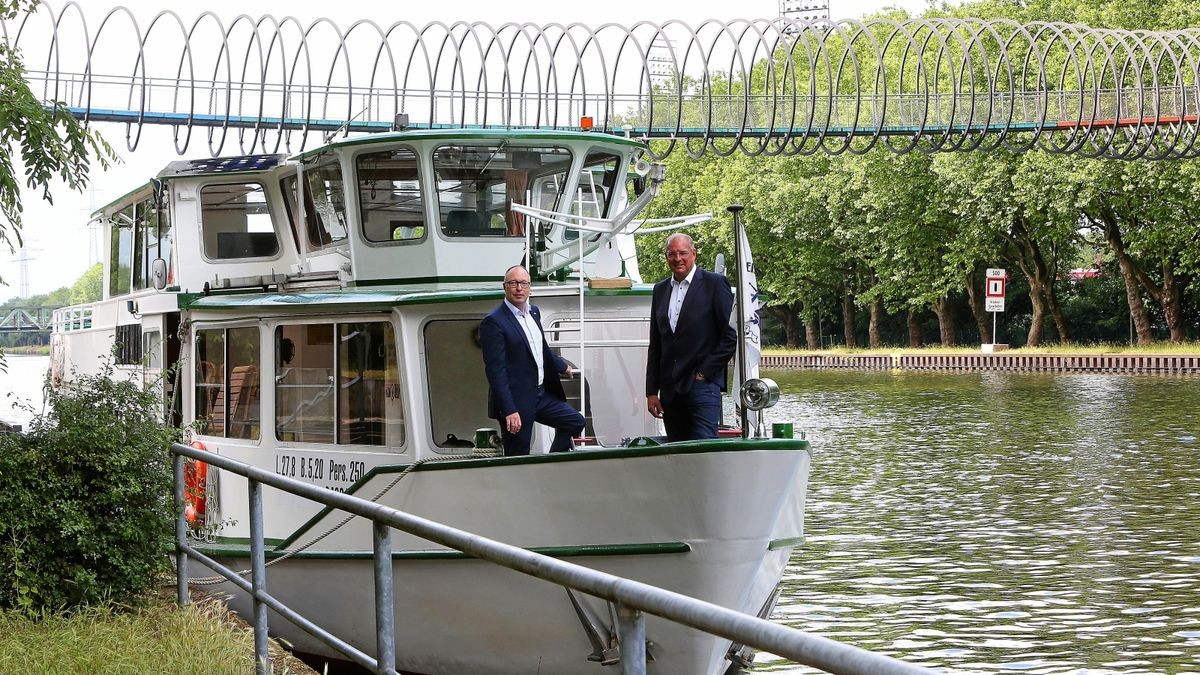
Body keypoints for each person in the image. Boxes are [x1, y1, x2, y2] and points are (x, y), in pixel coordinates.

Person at [480, 265, 585, 456]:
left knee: (574, 421)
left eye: (523, 283)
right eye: (513, 283)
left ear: (529, 288)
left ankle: (551, 467)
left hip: (540, 395)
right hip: (516, 402)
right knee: (518, 457)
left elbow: (541, 349)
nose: (519, 288)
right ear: (505, 287)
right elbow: (496, 372)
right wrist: (509, 409)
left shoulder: (534, 313)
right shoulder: (493, 322)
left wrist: (562, 366)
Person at [645, 233, 737, 442]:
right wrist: (651, 391)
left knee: (704, 447)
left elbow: (730, 336)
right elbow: (656, 345)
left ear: (693, 254)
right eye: (672, 254)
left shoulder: (715, 284)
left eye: (683, 253)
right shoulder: (660, 290)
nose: (678, 259)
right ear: (666, 257)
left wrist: (704, 373)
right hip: (669, 391)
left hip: (702, 387)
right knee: (677, 450)